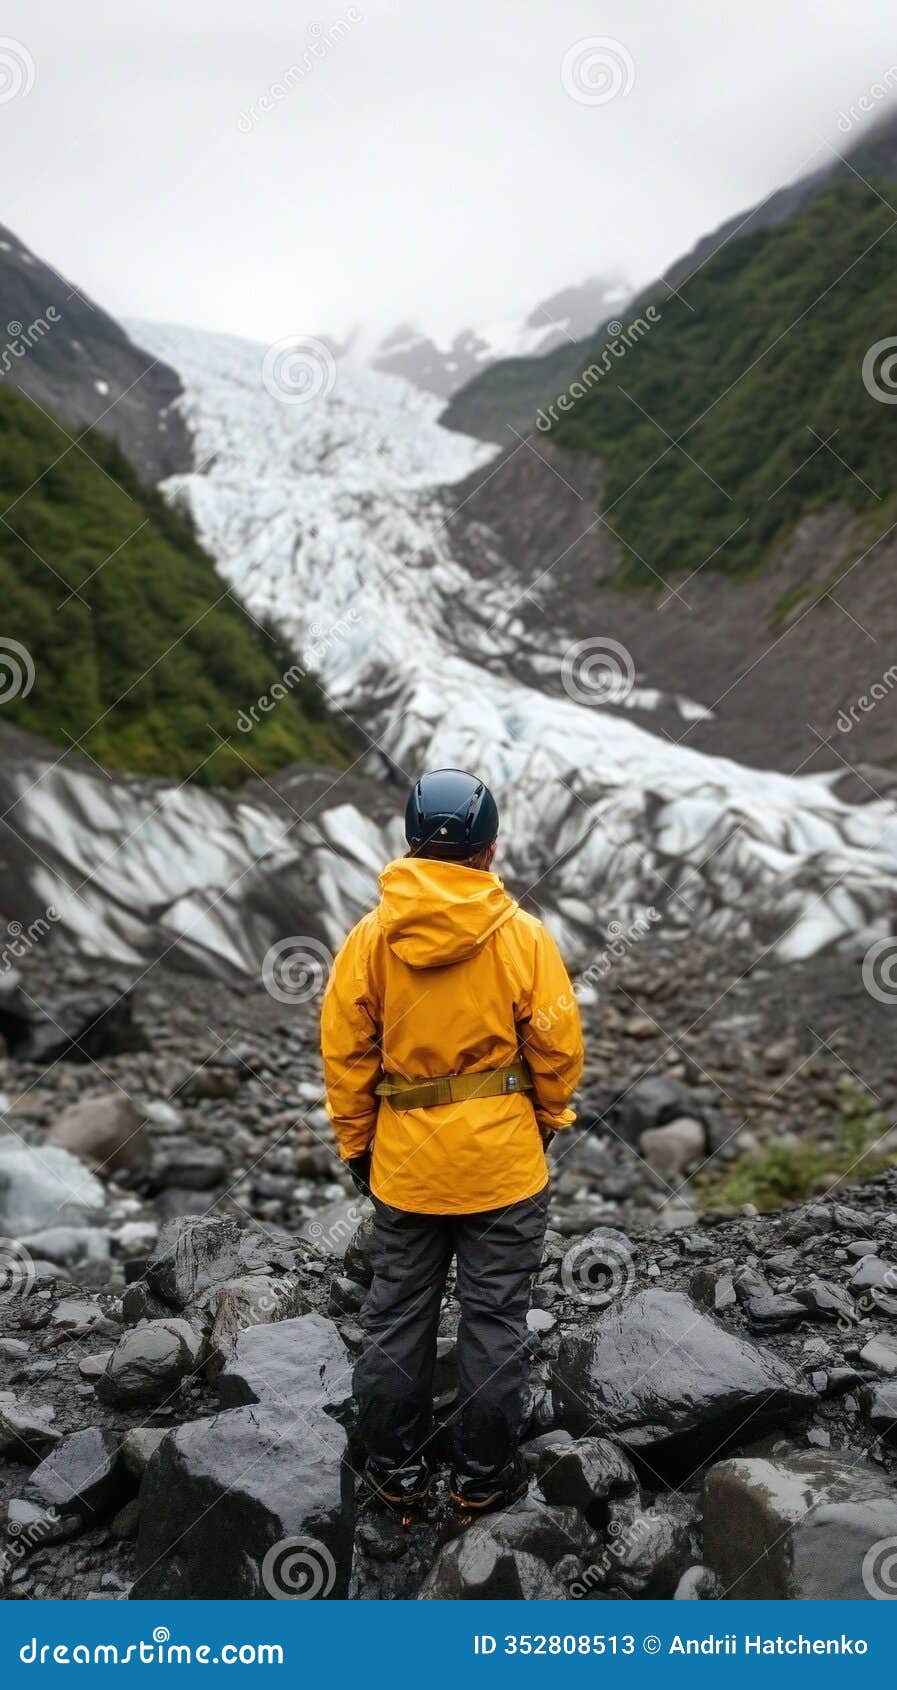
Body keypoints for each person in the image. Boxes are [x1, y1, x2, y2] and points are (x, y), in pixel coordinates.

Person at [320, 767, 584, 1522]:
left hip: (405, 1167)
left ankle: (393, 1477)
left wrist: (358, 1146)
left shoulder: (370, 939)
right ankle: (481, 1480)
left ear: (409, 844)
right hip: (503, 1164)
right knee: (494, 1320)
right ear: (489, 850)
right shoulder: (523, 938)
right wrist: (545, 1118)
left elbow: (345, 1054)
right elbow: (556, 1042)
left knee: (395, 1320)